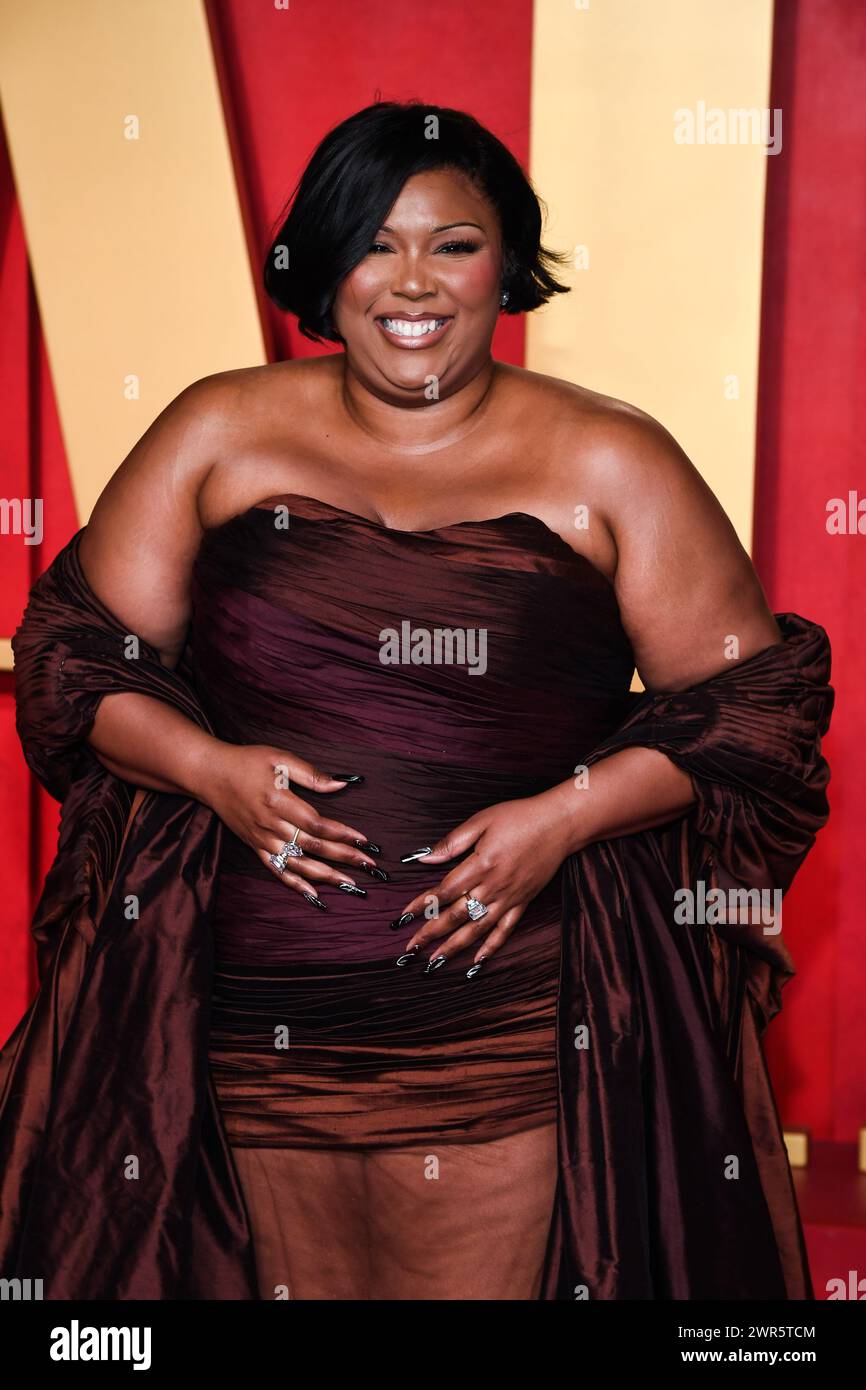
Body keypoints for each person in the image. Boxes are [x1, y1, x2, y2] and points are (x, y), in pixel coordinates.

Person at [0, 102, 833, 1301]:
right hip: (248, 1025)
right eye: (374, 242)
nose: (413, 282)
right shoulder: (216, 428)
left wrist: (563, 816)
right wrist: (208, 770)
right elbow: (75, 663)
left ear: (509, 265)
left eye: (453, 243)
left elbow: (754, 718)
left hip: (510, 1033)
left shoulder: (611, 459)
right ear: (323, 268)